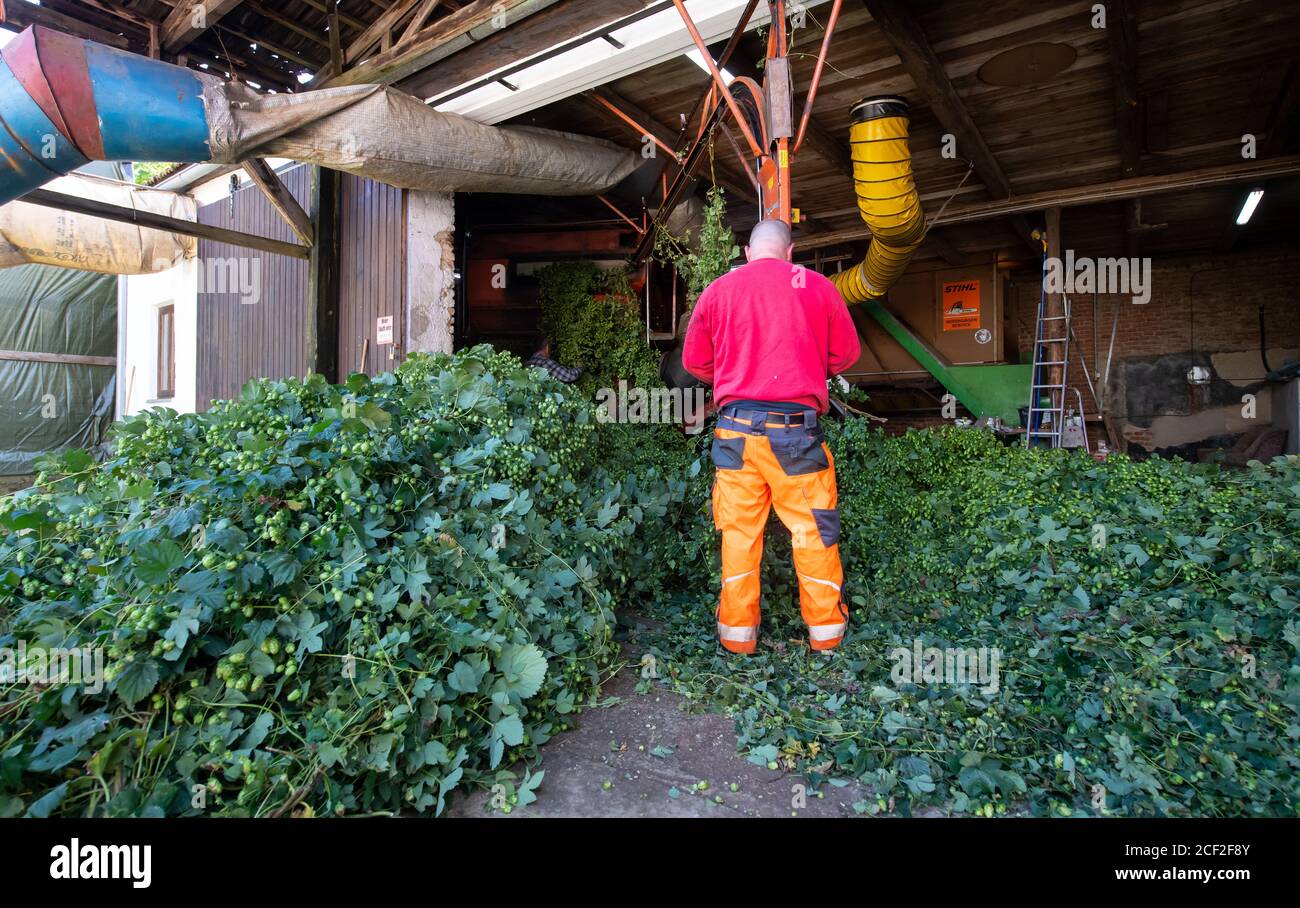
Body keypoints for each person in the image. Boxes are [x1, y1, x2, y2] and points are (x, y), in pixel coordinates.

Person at [682, 219, 861, 654]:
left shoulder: (719, 290)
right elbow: (846, 355)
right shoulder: (817, 287)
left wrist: (734, 377)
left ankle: (737, 640)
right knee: (813, 533)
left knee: (739, 535)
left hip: (735, 433)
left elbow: (694, 362)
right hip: (796, 436)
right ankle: (826, 638)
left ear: (746, 251)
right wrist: (807, 371)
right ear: (790, 251)